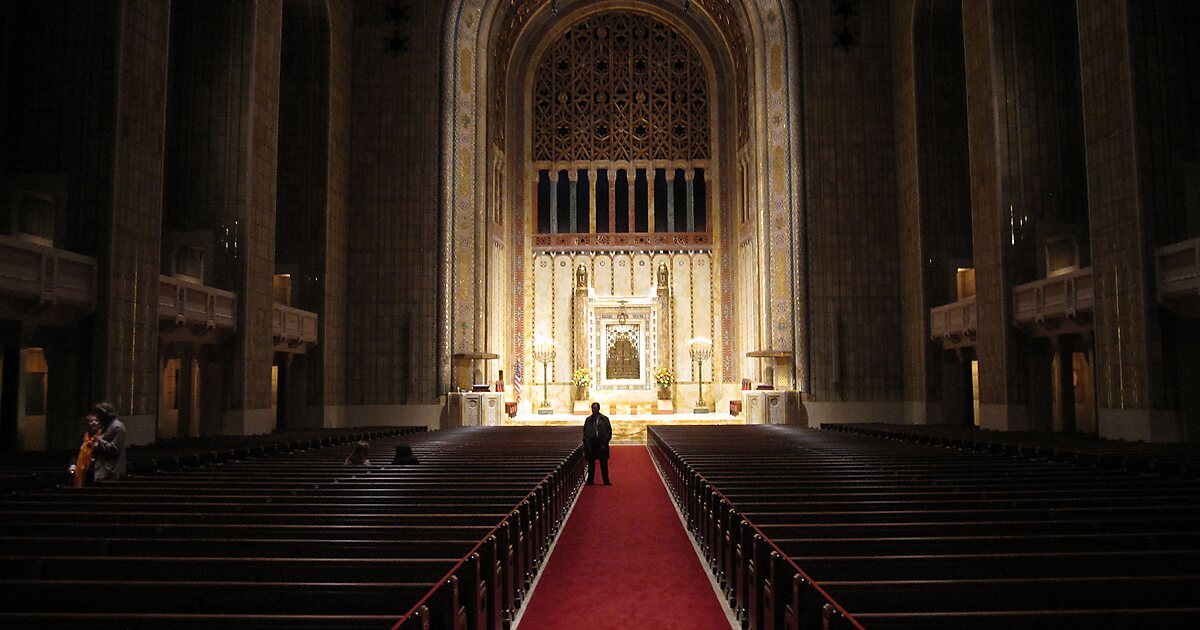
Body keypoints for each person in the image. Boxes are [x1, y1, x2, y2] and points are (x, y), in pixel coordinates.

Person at [89, 402, 127, 481]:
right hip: (101, 470)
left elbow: (115, 449)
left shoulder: (117, 427)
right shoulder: (105, 427)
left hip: (110, 471)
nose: (98, 418)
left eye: (100, 415)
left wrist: (99, 441)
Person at [67, 413, 102, 487]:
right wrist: (73, 465)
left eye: (96, 421)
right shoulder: (82, 438)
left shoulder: (102, 437)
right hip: (82, 470)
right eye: (91, 421)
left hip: (95, 471)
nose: (94, 423)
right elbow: (75, 454)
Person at [583, 402, 612, 485]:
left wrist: (606, 441)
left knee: (604, 464)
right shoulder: (588, 420)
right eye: (592, 408)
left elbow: (609, 431)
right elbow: (585, 432)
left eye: (595, 408)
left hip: (601, 444)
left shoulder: (604, 419)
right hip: (592, 445)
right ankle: (590, 480)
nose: (594, 409)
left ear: (598, 408)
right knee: (591, 465)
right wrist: (586, 443)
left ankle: (606, 481)